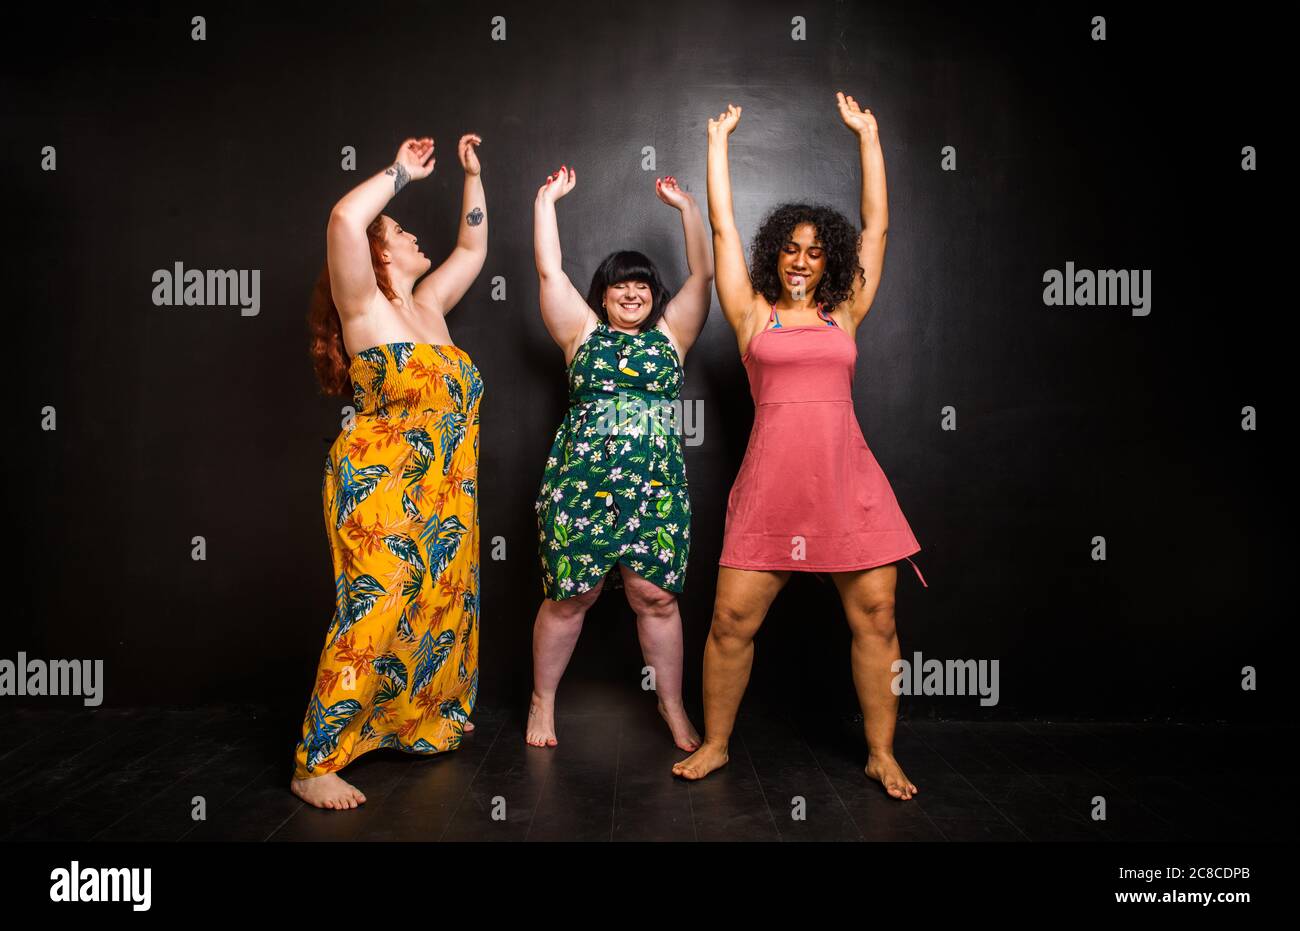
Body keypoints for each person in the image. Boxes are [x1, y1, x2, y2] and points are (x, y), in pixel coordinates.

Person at [672, 95, 929, 800]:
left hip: (848, 484)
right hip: (773, 488)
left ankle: (881, 752)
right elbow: (722, 227)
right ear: (776, 251)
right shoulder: (751, 313)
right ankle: (719, 742)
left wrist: (870, 136)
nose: (802, 260)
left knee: (877, 617)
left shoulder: (843, 311)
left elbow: (877, 225)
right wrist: (717, 140)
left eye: (816, 253)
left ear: (827, 264)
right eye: (792, 247)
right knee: (728, 622)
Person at [291, 134, 487, 810]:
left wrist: (472, 176)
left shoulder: (429, 307)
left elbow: (473, 250)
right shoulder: (364, 308)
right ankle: (315, 760)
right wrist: (402, 172)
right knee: (373, 610)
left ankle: (414, 724)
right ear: (380, 253)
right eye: (401, 232)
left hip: (447, 492)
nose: (412, 237)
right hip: (381, 483)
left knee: (436, 604)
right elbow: (346, 220)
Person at [528, 165, 713, 750]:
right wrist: (546, 200)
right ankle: (543, 702)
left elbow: (704, 273)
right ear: (602, 294)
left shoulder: (672, 336)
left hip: (655, 490)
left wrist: (686, 209)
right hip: (579, 487)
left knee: (656, 599)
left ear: (653, 295)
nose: (631, 293)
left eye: (641, 285)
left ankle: (674, 709)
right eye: (619, 285)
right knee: (569, 598)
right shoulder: (580, 333)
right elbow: (548, 269)